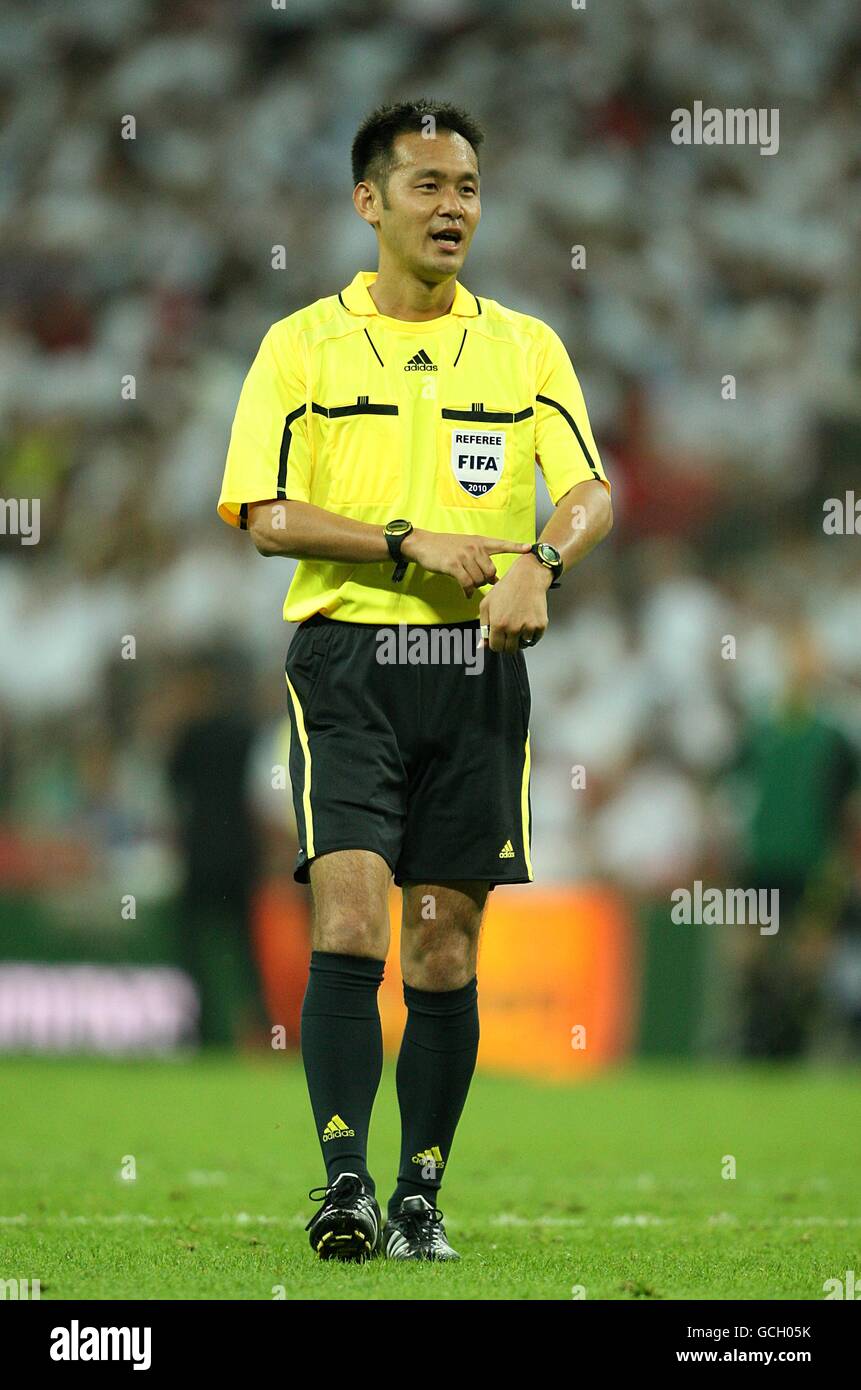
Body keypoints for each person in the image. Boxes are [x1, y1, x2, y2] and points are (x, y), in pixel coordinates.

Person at [217, 100, 612, 1262]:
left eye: (469, 188)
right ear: (369, 202)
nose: (453, 207)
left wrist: (542, 558)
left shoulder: (527, 347)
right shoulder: (300, 346)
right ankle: (343, 1186)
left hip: (476, 670)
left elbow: (589, 489)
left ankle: (420, 1195)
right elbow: (264, 514)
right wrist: (407, 542)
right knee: (348, 917)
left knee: (442, 942)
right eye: (430, 185)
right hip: (348, 664)